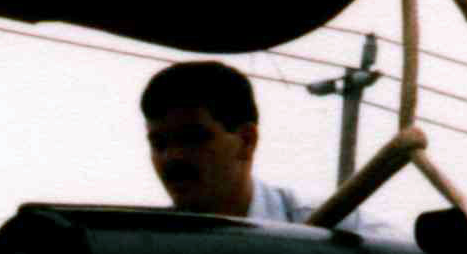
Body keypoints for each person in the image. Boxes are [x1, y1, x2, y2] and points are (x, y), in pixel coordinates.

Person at [139, 59, 387, 237]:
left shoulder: (335, 227)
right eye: (158, 144)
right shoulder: (148, 245)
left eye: (193, 139)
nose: (172, 158)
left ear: (247, 141)